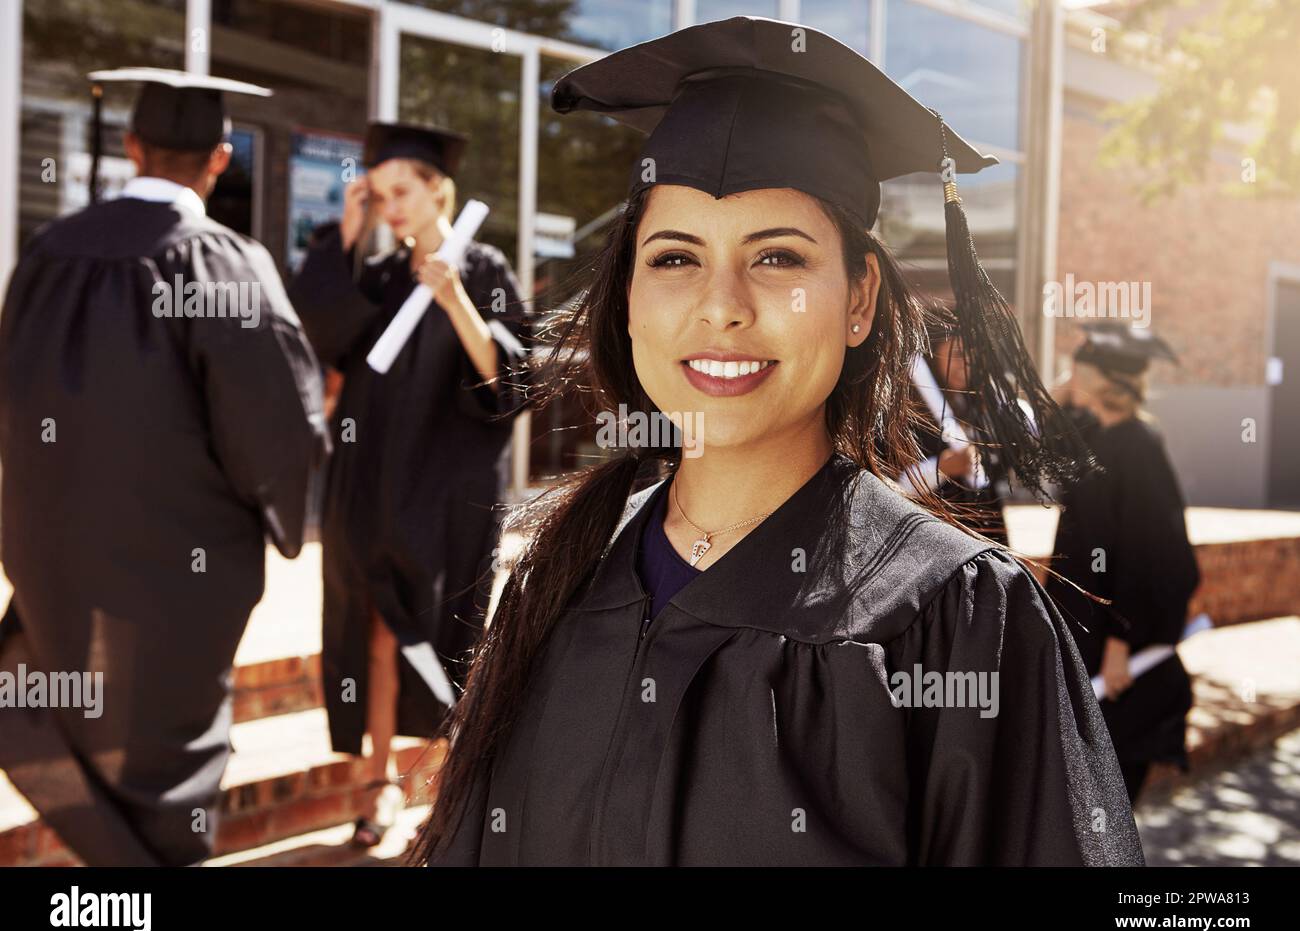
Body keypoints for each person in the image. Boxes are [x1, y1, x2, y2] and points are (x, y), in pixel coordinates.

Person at [411, 17, 1143, 866]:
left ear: (859, 299)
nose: (720, 306)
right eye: (675, 258)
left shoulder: (958, 622)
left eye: (779, 260)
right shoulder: (559, 575)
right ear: (627, 299)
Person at [0, 68, 327, 866]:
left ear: (131, 145)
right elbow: (278, 426)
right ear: (220, 159)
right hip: (179, 568)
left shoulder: (48, 253)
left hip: (56, 554)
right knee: (161, 756)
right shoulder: (225, 263)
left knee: (69, 716)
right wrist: (284, 509)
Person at [288, 121, 529, 848]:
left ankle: (447, 789)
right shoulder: (383, 273)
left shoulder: (481, 266)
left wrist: (454, 299)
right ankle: (379, 784)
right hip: (370, 478)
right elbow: (319, 330)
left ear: (437, 189)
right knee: (377, 632)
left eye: (401, 191)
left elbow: (511, 380)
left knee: (443, 634)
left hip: (447, 483)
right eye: (378, 192)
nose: (390, 205)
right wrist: (346, 231)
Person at [1047, 320, 1199, 806]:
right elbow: (1034, 445)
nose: (1070, 369)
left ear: (1101, 377)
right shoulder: (1095, 435)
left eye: (1080, 364)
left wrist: (1121, 640)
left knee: (1106, 796)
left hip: (1114, 653)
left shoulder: (1137, 448)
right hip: (1084, 629)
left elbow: (1152, 553)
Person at [892, 305, 1011, 545]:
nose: (966, 363)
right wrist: (942, 468)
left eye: (973, 354)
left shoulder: (975, 404)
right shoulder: (906, 413)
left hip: (982, 533)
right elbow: (891, 489)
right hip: (932, 539)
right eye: (957, 354)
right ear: (933, 353)